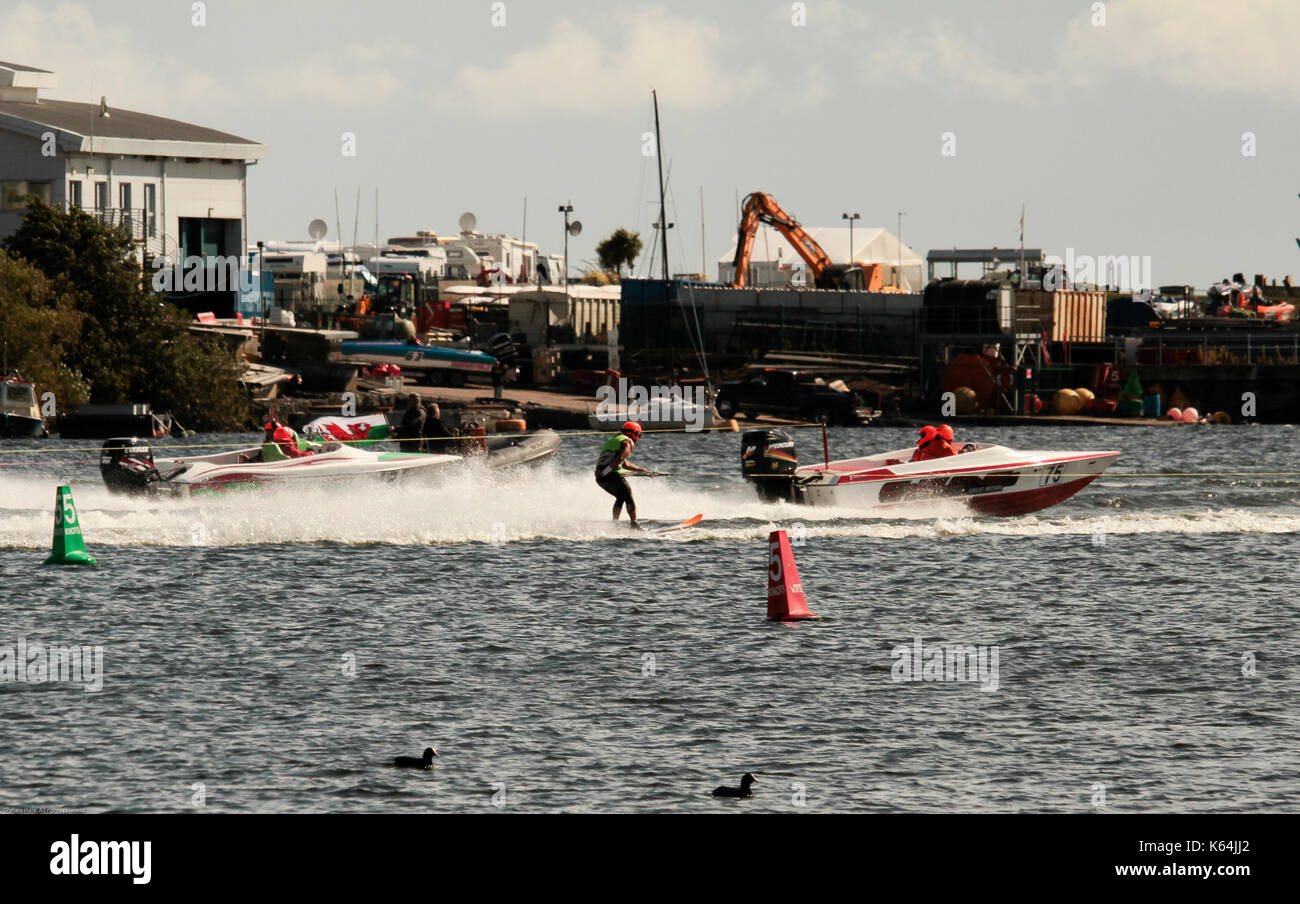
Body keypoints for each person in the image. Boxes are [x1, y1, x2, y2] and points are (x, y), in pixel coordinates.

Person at [595, 421, 653, 527]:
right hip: (611, 475)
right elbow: (619, 459)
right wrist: (605, 472)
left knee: (621, 497)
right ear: (634, 434)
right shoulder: (627, 442)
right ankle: (634, 525)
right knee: (628, 495)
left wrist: (643, 471)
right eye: (638, 435)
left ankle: (615, 524)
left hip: (600, 479)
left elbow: (624, 464)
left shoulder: (613, 440)